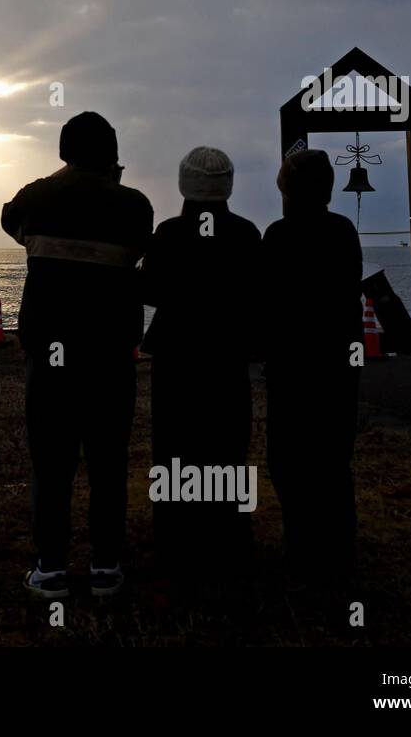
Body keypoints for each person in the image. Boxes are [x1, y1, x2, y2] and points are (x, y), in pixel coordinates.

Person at [1, 111, 153, 599]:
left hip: (50, 358)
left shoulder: (36, 196)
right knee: (108, 463)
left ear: (64, 151)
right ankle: (106, 566)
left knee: (51, 465)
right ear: (111, 154)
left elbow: (13, 220)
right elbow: (137, 243)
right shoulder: (135, 206)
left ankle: (50, 568)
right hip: (111, 356)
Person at [140, 147, 260, 583]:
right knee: (227, 445)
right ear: (228, 185)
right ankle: (228, 540)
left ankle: (175, 545)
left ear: (182, 184)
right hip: (226, 357)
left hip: (177, 356)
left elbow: (149, 291)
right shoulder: (247, 234)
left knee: (174, 446)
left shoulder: (168, 234)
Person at [261, 149, 363, 581]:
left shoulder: (277, 236)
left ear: (286, 188)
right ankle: (337, 550)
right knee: (333, 458)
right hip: (337, 362)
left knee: (289, 458)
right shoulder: (343, 231)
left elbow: (265, 299)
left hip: (291, 364)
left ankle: (300, 546)